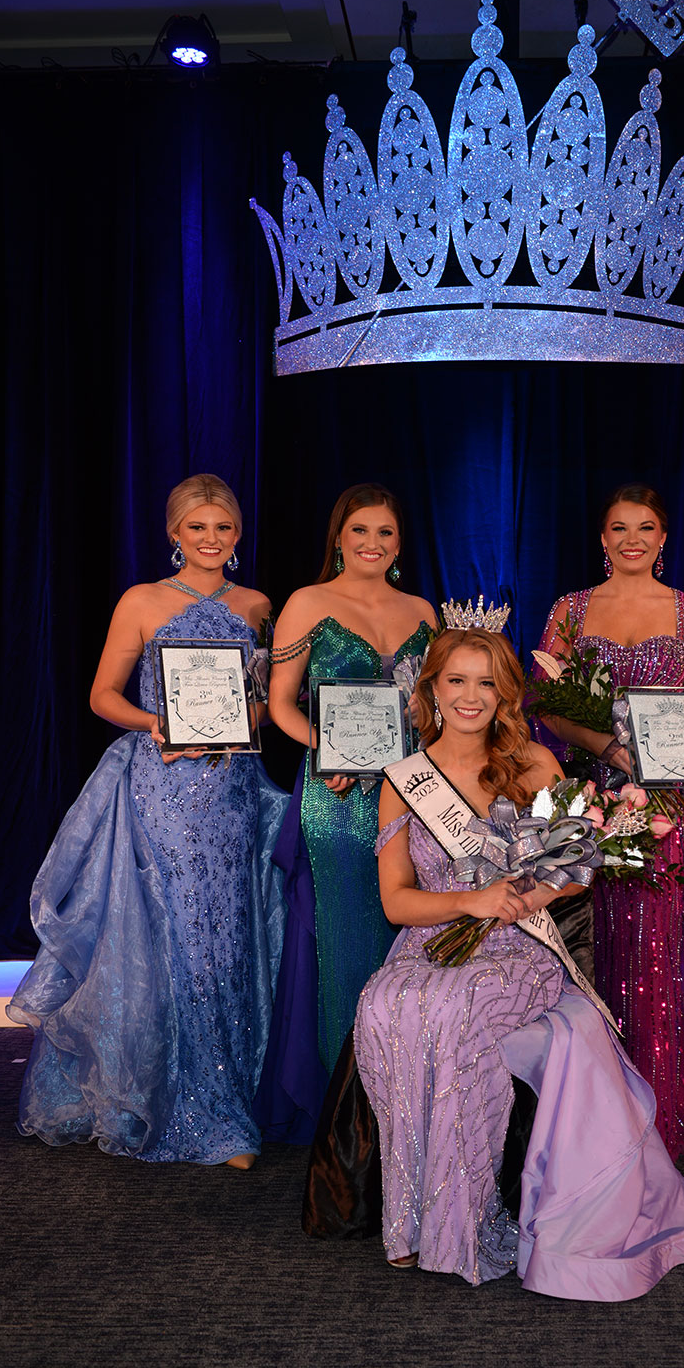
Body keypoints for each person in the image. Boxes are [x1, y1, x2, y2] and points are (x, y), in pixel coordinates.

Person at [353, 627, 684, 1298]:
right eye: (456, 681)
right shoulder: (402, 781)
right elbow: (397, 904)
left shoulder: (534, 764)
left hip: (520, 948)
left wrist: (521, 895)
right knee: (386, 1006)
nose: (470, 696)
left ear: (504, 694)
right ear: (431, 689)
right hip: (435, 938)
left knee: (454, 1010)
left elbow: (579, 874)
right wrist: (474, 898)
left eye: (486, 682)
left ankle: (460, 1227)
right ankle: (405, 1219)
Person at [10, 474, 287, 1168]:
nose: (212, 539)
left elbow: (259, 703)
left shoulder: (257, 606)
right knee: (179, 935)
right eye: (198, 527)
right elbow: (104, 695)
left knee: (231, 937)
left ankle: (235, 1087)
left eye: (223, 527)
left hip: (231, 791)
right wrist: (162, 726)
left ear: (239, 533)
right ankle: (199, 1108)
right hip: (163, 788)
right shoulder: (141, 601)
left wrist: (235, 729)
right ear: (173, 533)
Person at [533, 485, 684, 1159]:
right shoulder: (569, 610)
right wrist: (606, 750)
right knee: (586, 948)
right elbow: (547, 707)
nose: (631, 540)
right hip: (587, 800)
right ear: (601, 537)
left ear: (663, 537)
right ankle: (588, 1107)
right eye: (618, 527)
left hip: (667, 805)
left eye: (645, 528)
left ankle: (653, 1106)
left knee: (654, 956)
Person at [256, 485, 435, 1141]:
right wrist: (325, 752)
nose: (372, 542)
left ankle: (405, 1092)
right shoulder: (309, 602)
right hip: (336, 795)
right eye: (360, 529)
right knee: (346, 937)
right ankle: (347, 1108)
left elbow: (433, 708)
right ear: (338, 535)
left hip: (409, 795)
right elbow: (280, 702)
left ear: (398, 543)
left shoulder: (421, 609)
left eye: (386, 532)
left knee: (407, 938)